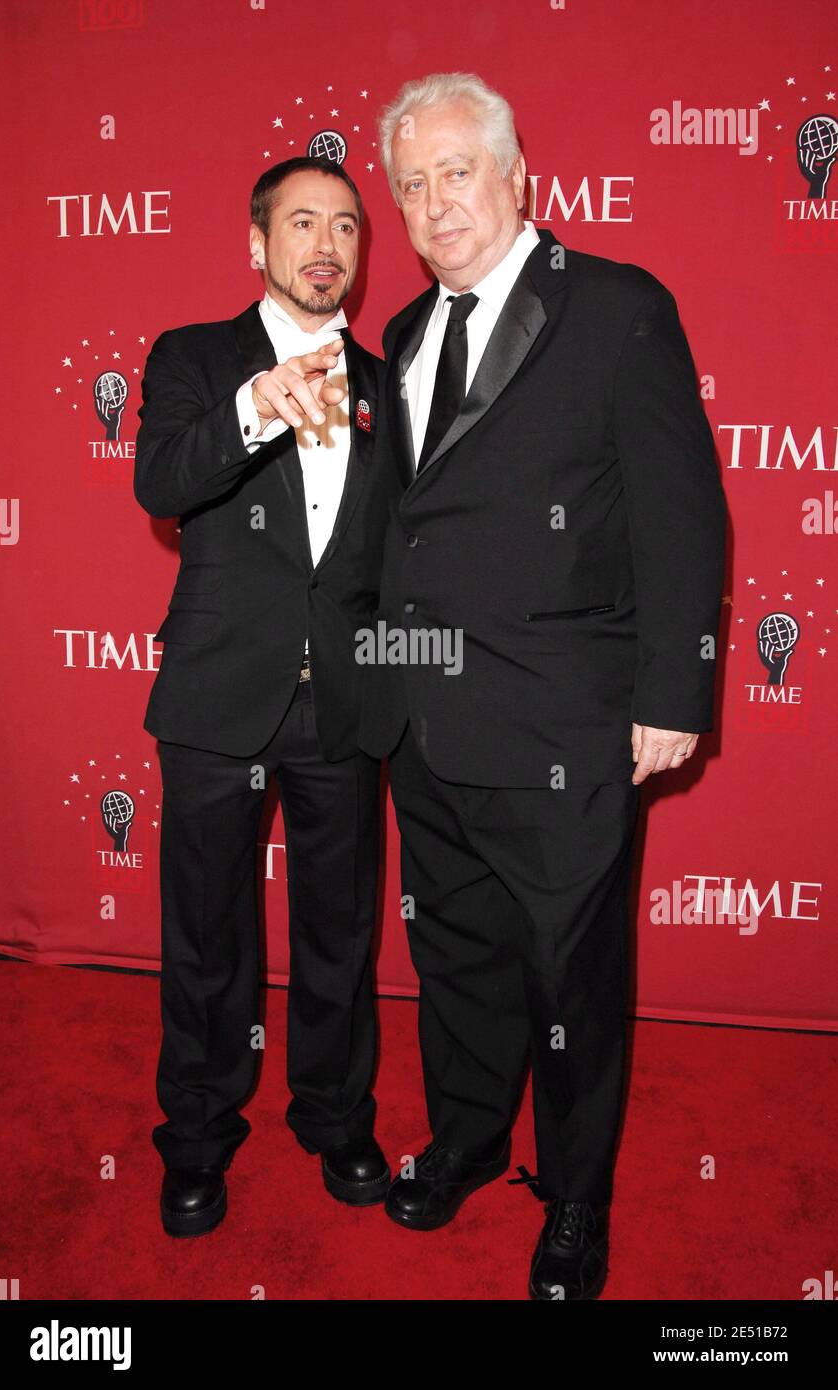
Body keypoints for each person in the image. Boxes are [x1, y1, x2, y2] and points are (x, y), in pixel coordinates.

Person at [360, 73, 727, 1299]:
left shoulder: (618, 308)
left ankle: (575, 1197)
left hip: (567, 728)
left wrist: (672, 692)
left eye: (454, 171)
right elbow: (409, 541)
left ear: (517, 177)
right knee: (457, 962)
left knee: (571, 978)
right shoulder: (405, 337)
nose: (429, 202)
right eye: (408, 184)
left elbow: (684, 516)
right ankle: (466, 1140)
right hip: (431, 722)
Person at [134, 156, 398, 1237]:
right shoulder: (195, 359)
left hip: (344, 702)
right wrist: (255, 407)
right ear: (258, 243)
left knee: (338, 932)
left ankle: (335, 1114)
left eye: (344, 225)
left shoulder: (390, 384)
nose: (325, 243)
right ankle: (197, 1133)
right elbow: (162, 480)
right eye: (301, 223)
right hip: (216, 699)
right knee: (207, 935)